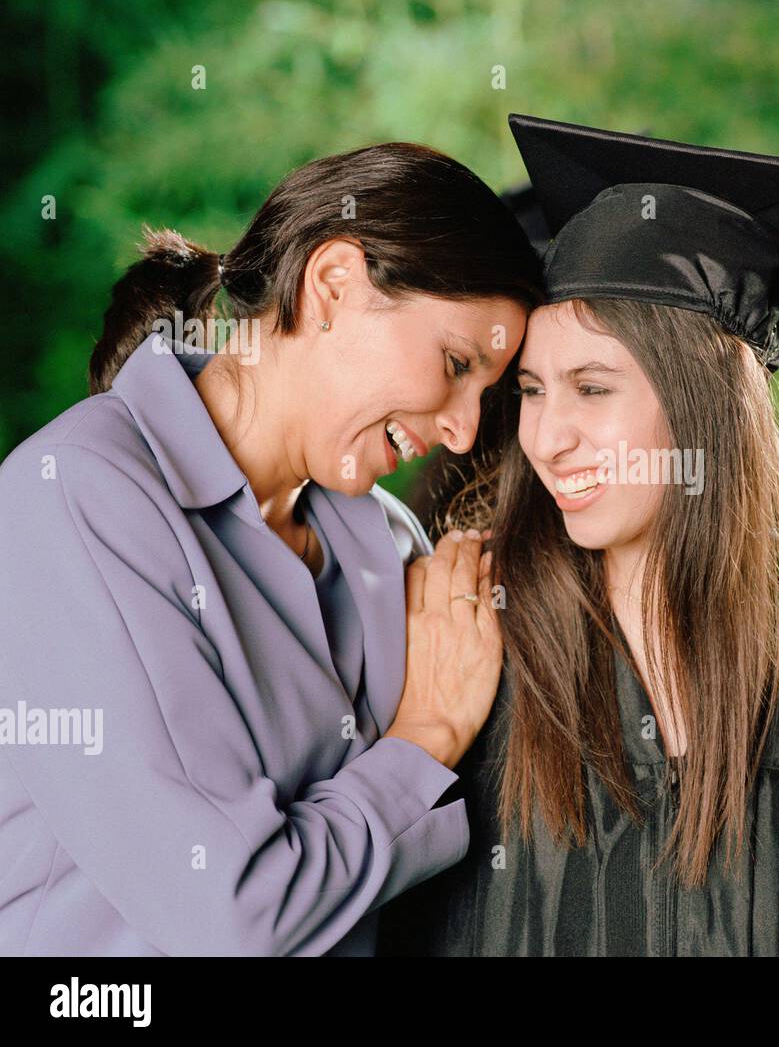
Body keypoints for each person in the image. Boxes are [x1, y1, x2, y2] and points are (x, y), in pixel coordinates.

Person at [379, 115, 779, 956]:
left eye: (592, 387)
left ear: (710, 395)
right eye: (534, 390)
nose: (546, 438)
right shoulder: (479, 624)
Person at [0, 142, 542, 955]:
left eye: (488, 392)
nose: (464, 429)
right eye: (456, 363)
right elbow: (231, 917)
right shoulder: (75, 496)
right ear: (331, 286)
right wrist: (426, 732)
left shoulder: (392, 549)